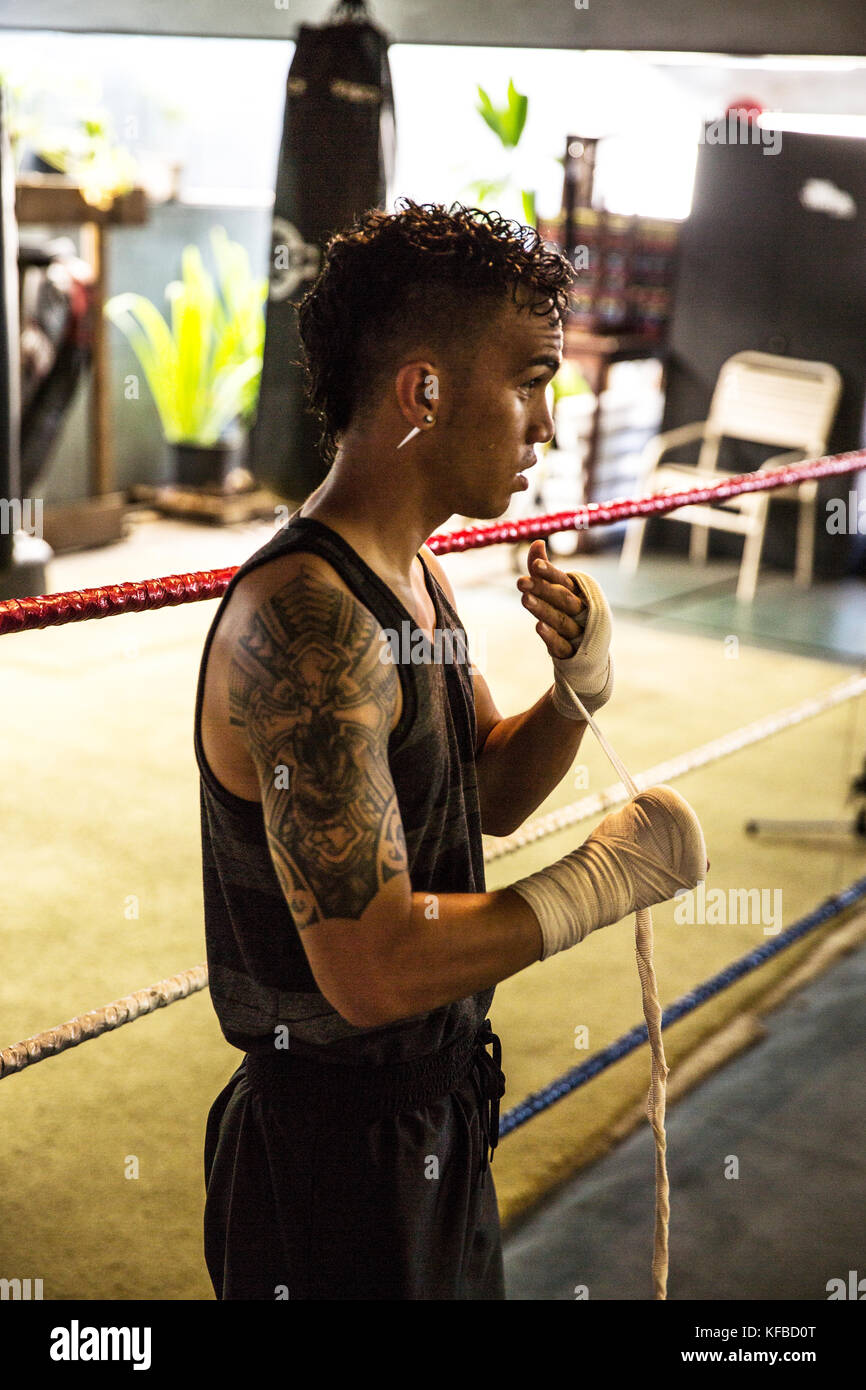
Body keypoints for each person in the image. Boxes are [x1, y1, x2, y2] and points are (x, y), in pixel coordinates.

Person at [194, 198, 708, 1301]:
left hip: (431, 1112)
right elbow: (373, 962)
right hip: (326, 1163)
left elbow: (490, 794)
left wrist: (575, 693)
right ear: (421, 390)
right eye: (527, 380)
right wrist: (596, 883)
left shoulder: (414, 577)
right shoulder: (306, 623)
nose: (547, 424)